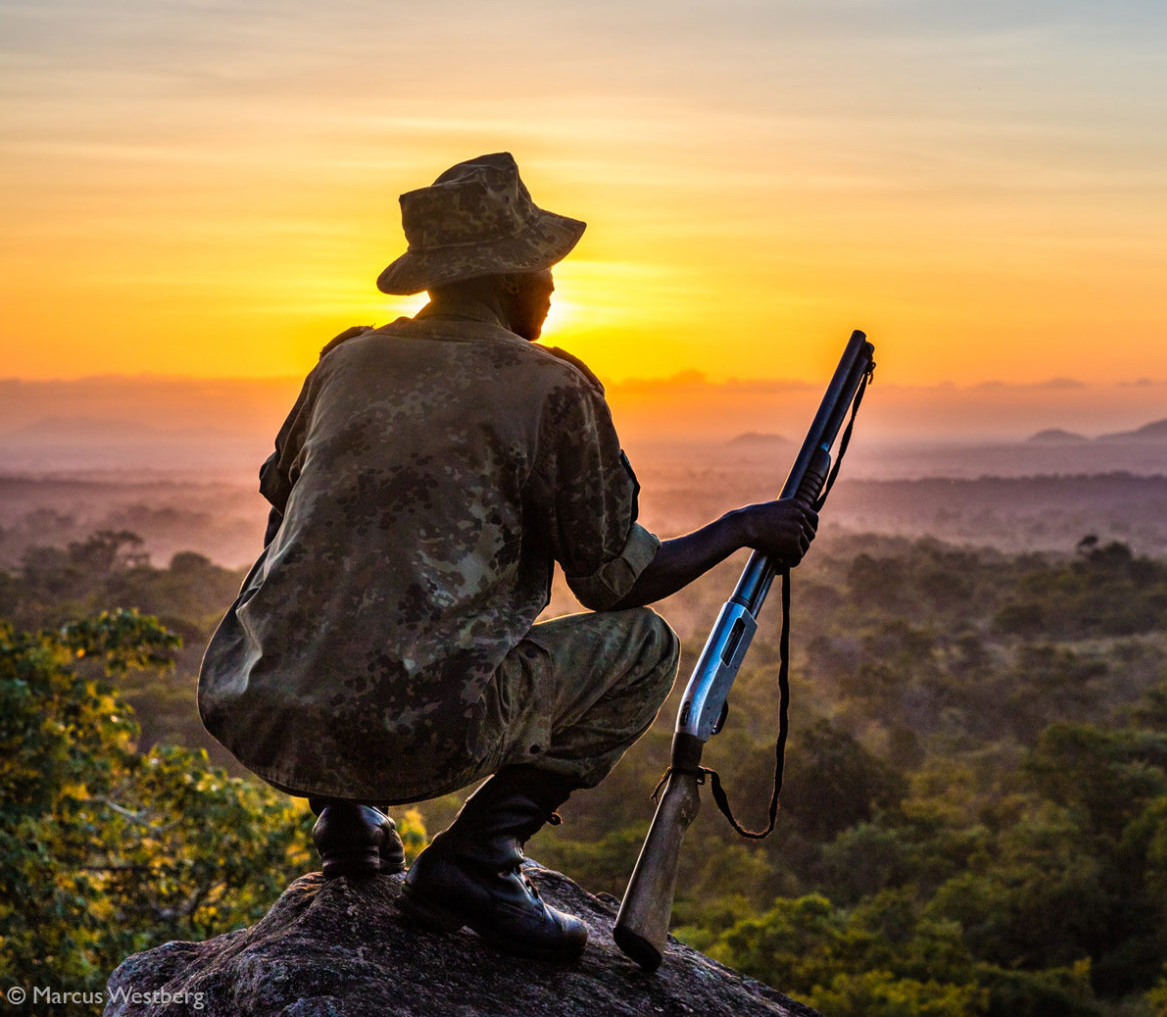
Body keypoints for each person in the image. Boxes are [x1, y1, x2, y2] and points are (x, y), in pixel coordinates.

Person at [197, 153, 817, 960]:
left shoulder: (345, 360)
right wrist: (742, 527)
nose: (554, 287)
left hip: (261, 700)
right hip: (415, 730)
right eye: (544, 268)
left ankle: (344, 816)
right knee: (644, 647)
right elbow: (615, 580)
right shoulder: (551, 388)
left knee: (322, 563)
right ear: (505, 276)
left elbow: (284, 497)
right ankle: (478, 861)